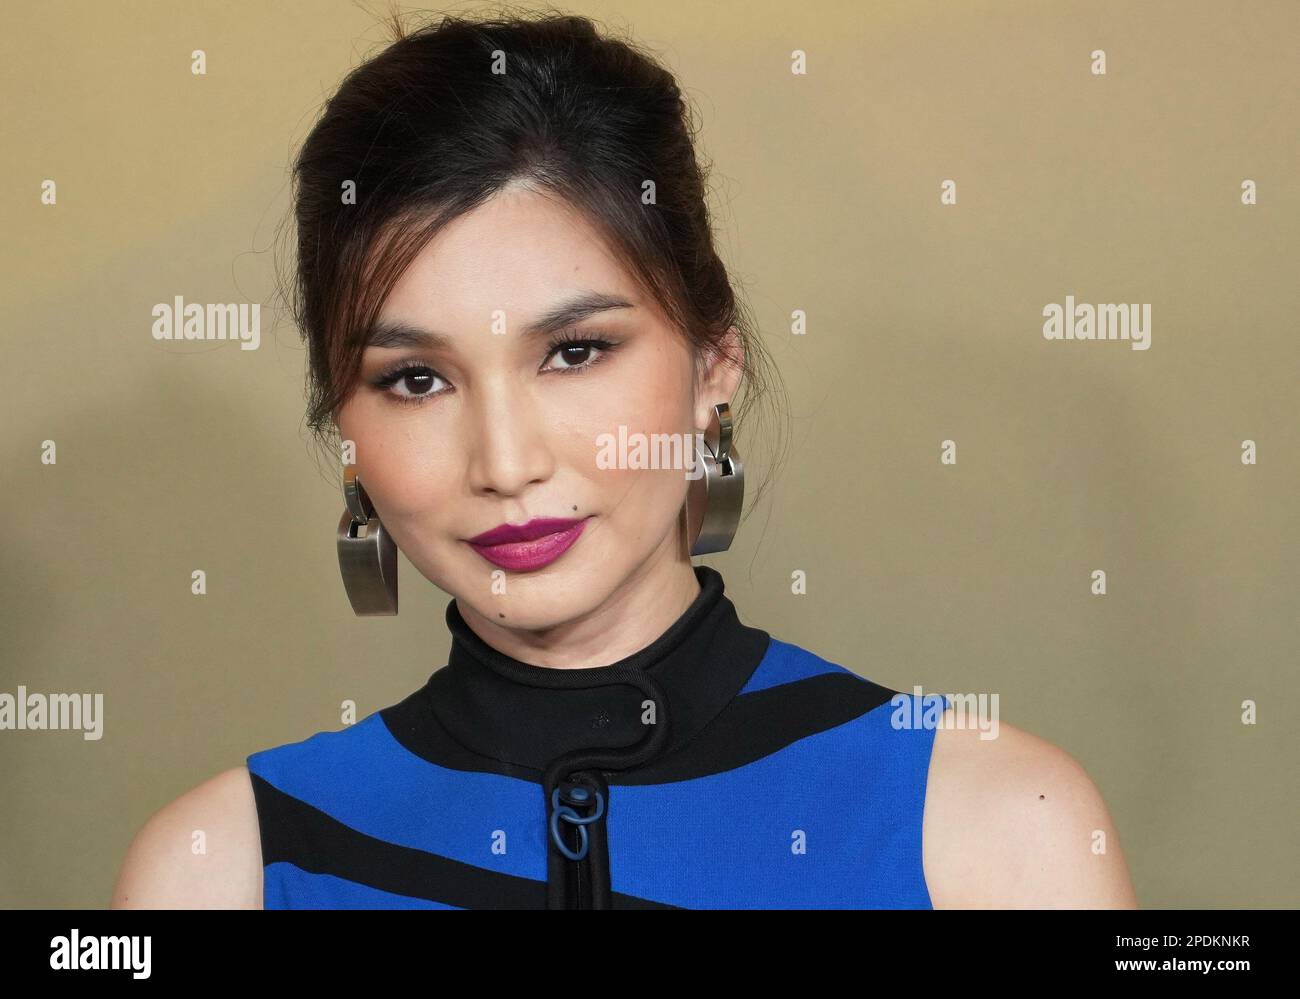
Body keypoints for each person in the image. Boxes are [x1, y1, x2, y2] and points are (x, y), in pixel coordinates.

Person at [111, 11, 1136, 909]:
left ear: (711, 364)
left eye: (574, 352)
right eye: (416, 379)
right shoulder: (222, 868)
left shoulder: (997, 824)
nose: (505, 464)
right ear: (344, 425)